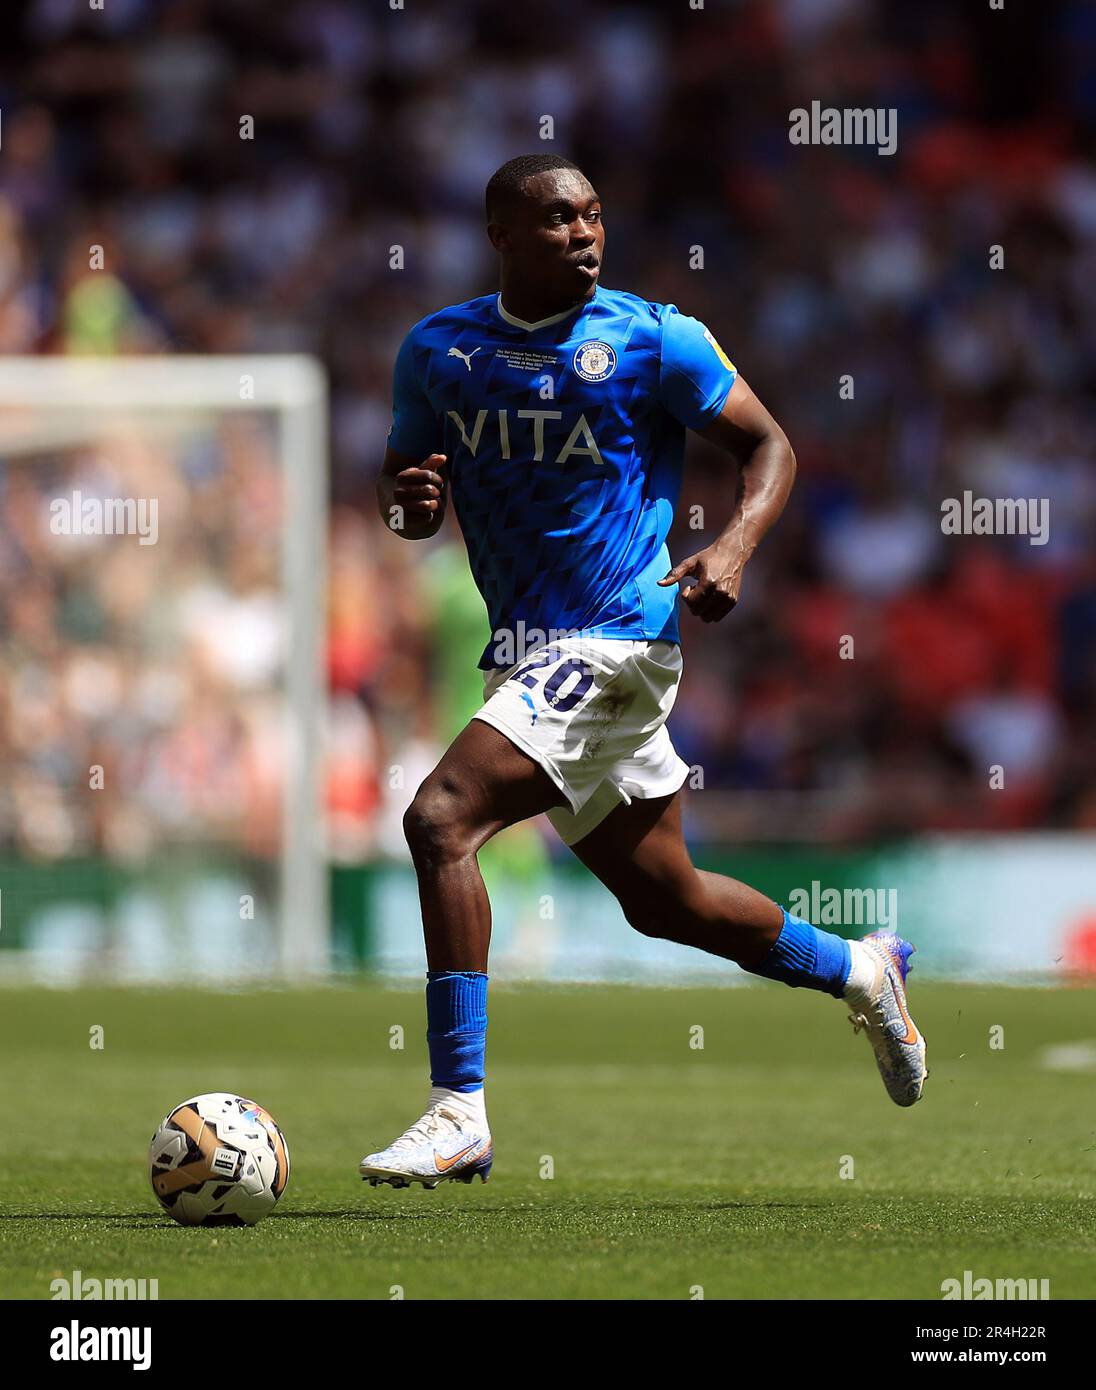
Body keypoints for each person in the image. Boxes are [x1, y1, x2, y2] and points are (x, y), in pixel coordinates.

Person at [361, 154, 925, 1190]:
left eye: (593, 217)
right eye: (557, 220)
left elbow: (769, 447)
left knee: (440, 817)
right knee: (668, 903)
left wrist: (735, 547)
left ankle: (458, 1110)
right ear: (500, 233)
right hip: (526, 659)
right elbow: (406, 507)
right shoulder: (437, 352)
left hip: (621, 638)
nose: (582, 235)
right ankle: (862, 970)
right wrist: (411, 503)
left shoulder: (653, 336)